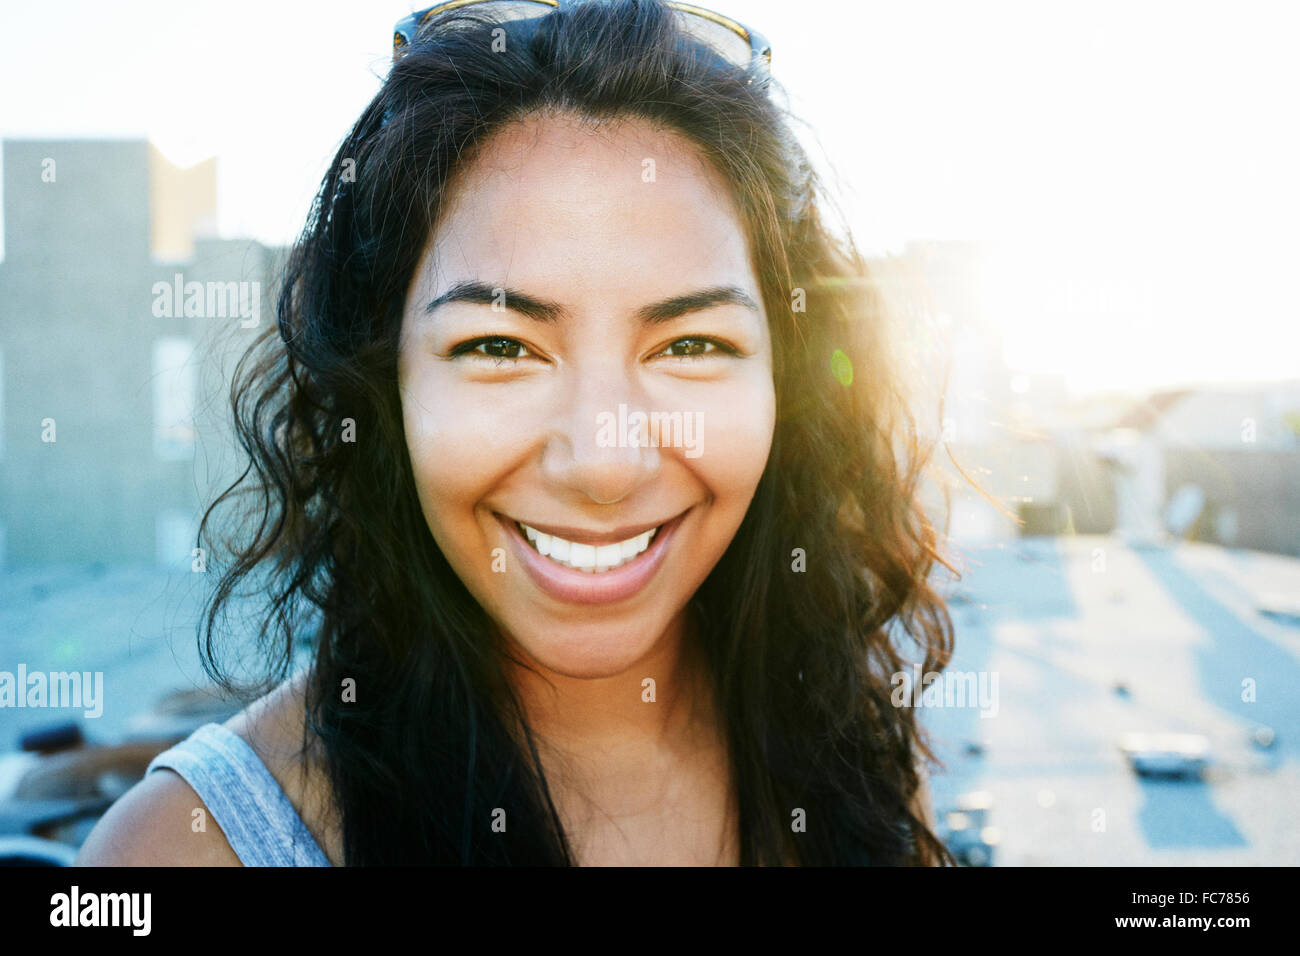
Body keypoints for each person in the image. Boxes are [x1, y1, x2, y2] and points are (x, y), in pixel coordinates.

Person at [77, 0, 958, 866]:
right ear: (383, 387)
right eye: (499, 346)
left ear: (787, 380)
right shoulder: (182, 853)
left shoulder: (862, 761)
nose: (604, 463)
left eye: (692, 343)